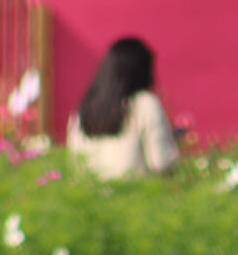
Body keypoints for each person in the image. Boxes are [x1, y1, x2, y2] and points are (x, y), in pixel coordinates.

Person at [67, 37, 178, 179]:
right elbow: (162, 162)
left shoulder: (83, 109)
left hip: (91, 195)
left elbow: (76, 164)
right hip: (135, 195)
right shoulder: (145, 103)